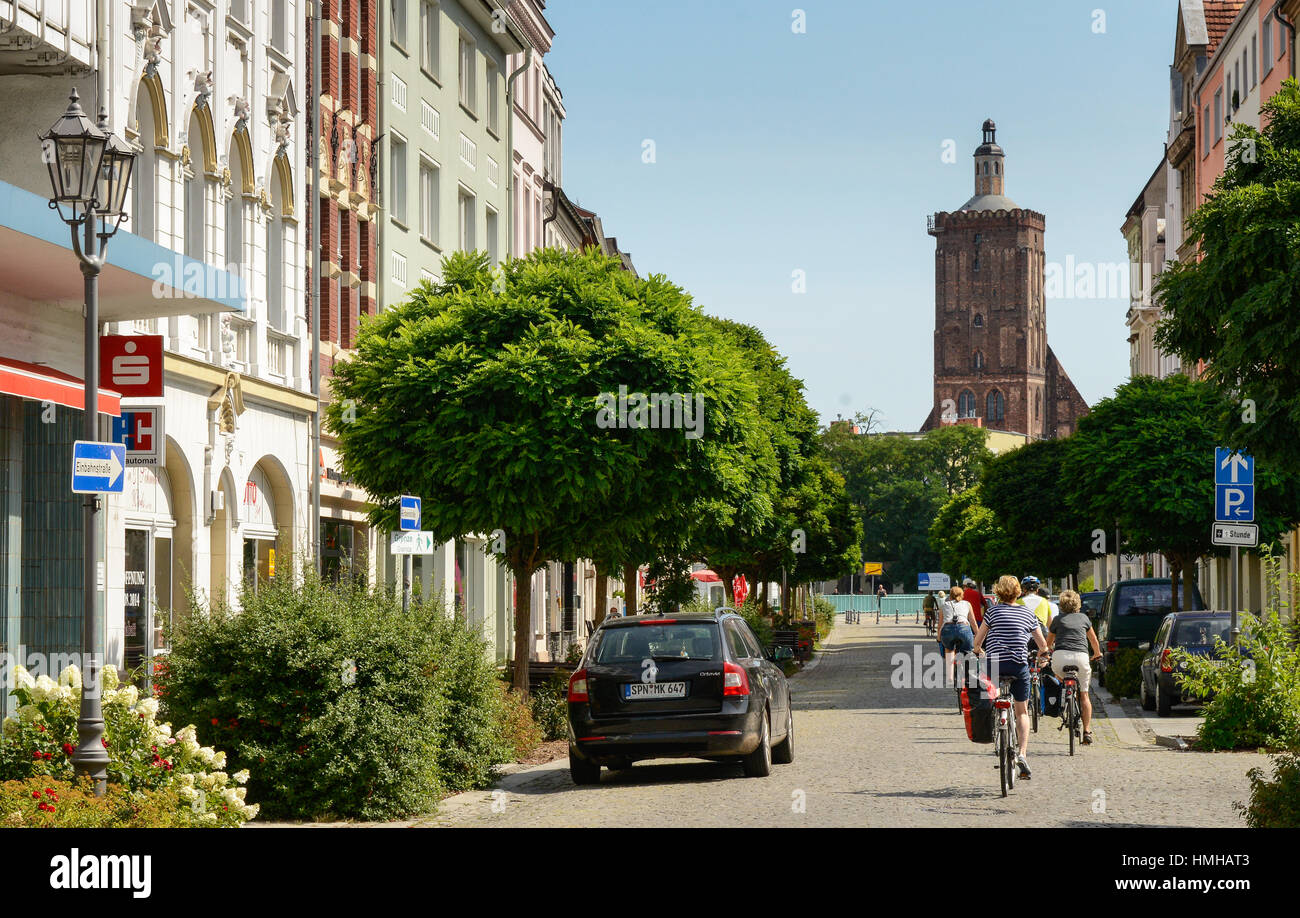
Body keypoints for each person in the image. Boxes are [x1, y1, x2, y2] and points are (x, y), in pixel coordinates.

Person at [973, 575, 1049, 779]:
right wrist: (1043, 655)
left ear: (998, 591)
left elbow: (978, 640)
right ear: (1018, 592)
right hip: (1018, 666)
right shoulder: (1027, 613)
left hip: (995, 664)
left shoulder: (993, 612)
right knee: (1022, 711)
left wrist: (978, 650)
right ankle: (1022, 754)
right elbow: (1042, 644)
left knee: (992, 694)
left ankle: (996, 717)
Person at [1047, 589, 1103, 744]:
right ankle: (1087, 731)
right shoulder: (1084, 618)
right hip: (1081, 658)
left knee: (1057, 672)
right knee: (1084, 695)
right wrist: (1097, 653)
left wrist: (1045, 653)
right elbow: (1093, 639)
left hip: (1060, 658)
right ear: (1077, 603)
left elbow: (1048, 643)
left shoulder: (1057, 620)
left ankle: (1065, 689)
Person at [939, 585, 976, 685]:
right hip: (964, 629)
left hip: (947, 629)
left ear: (950, 595)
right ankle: (968, 677)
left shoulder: (944, 605)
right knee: (968, 652)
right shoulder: (967, 604)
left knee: (949, 650)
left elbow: (940, 624)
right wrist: (977, 634)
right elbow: (972, 621)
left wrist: (938, 638)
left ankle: (950, 677)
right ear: (962, 595)